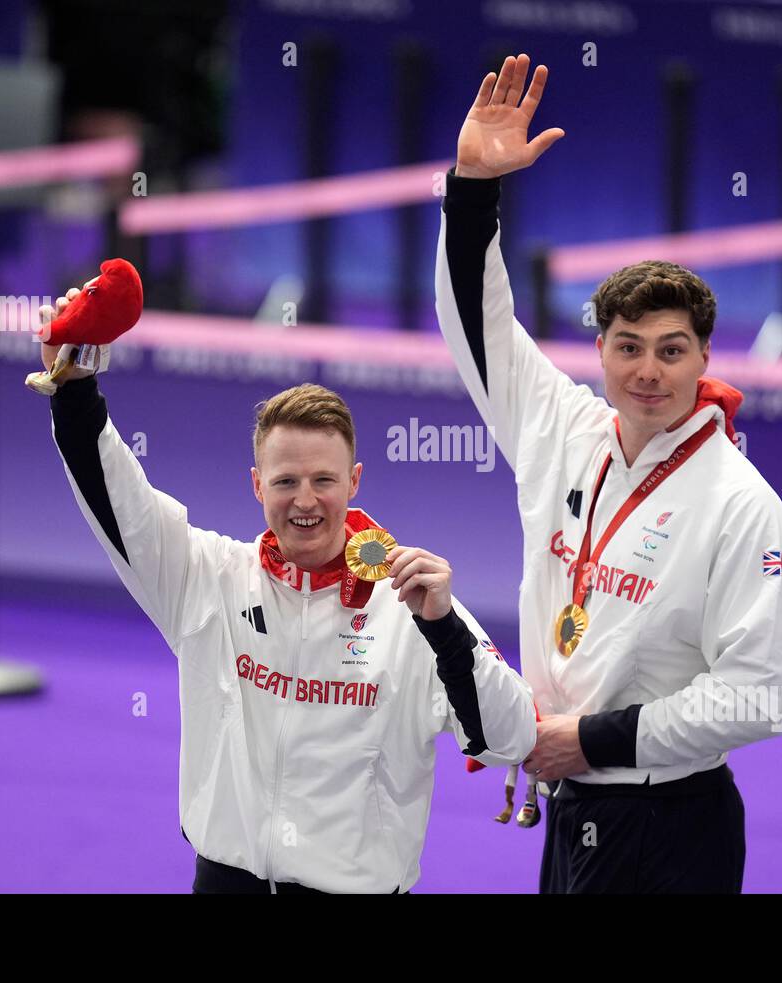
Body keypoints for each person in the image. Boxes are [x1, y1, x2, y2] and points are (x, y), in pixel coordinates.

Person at [434, 54, 782, 893]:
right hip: (571, 806)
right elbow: (477, 328)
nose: (648, 371)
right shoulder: (563, 430)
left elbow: (762, 696)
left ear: (705, 356)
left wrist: (593, 739)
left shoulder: (745, 508)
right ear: (598, 349)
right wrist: (473, 189)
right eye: (628, 347)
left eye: (671, 351)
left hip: (670, 823)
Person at [37, 295, 536, 893]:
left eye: (324, 480)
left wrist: (446, 629)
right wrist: (74, 385)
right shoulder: (211, 577)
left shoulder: (414, 606)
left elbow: (511, 738)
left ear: (353, 481)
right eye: (286, 481)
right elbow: (122, 506)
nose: (305, 501)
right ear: (256, 485)